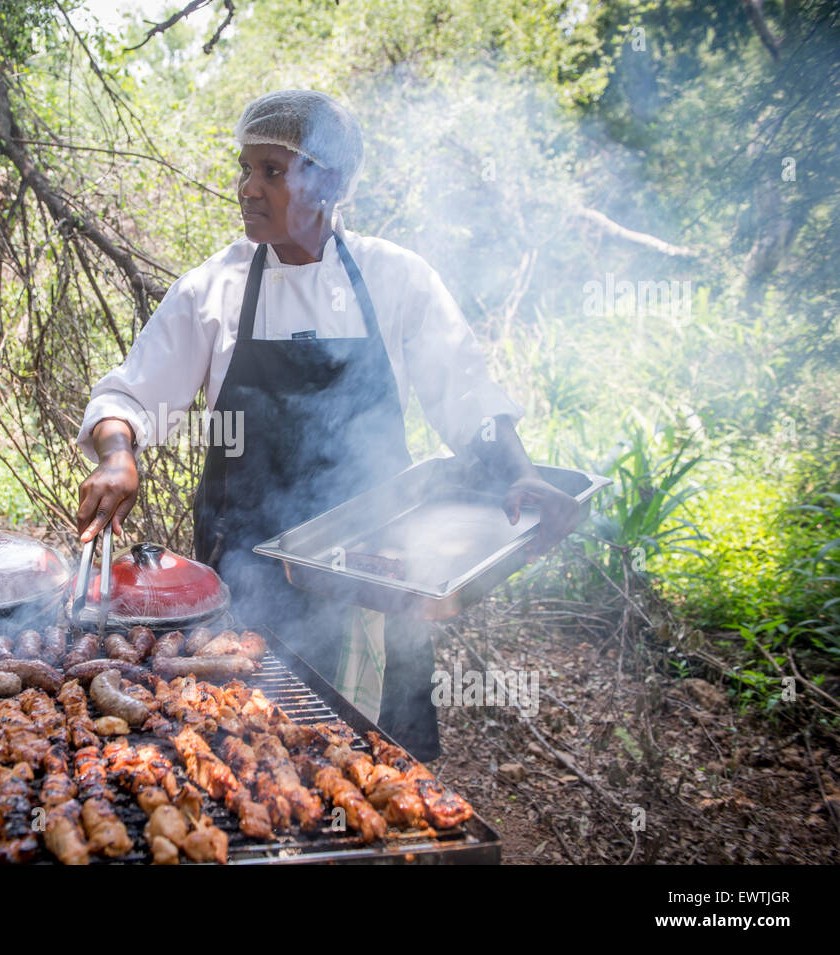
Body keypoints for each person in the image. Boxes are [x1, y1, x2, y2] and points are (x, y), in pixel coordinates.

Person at [74, 90, 577, 760]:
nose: (248, 188)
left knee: (384, 771)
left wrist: (520, 473)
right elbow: (130, 394)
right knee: (256, 759)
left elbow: (469, 397)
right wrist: (116, 454)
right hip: (249, 585)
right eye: (245, 168)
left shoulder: (396, 278)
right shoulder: (216, 288)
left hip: (377, 583)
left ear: (329, 180)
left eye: (272, 172)